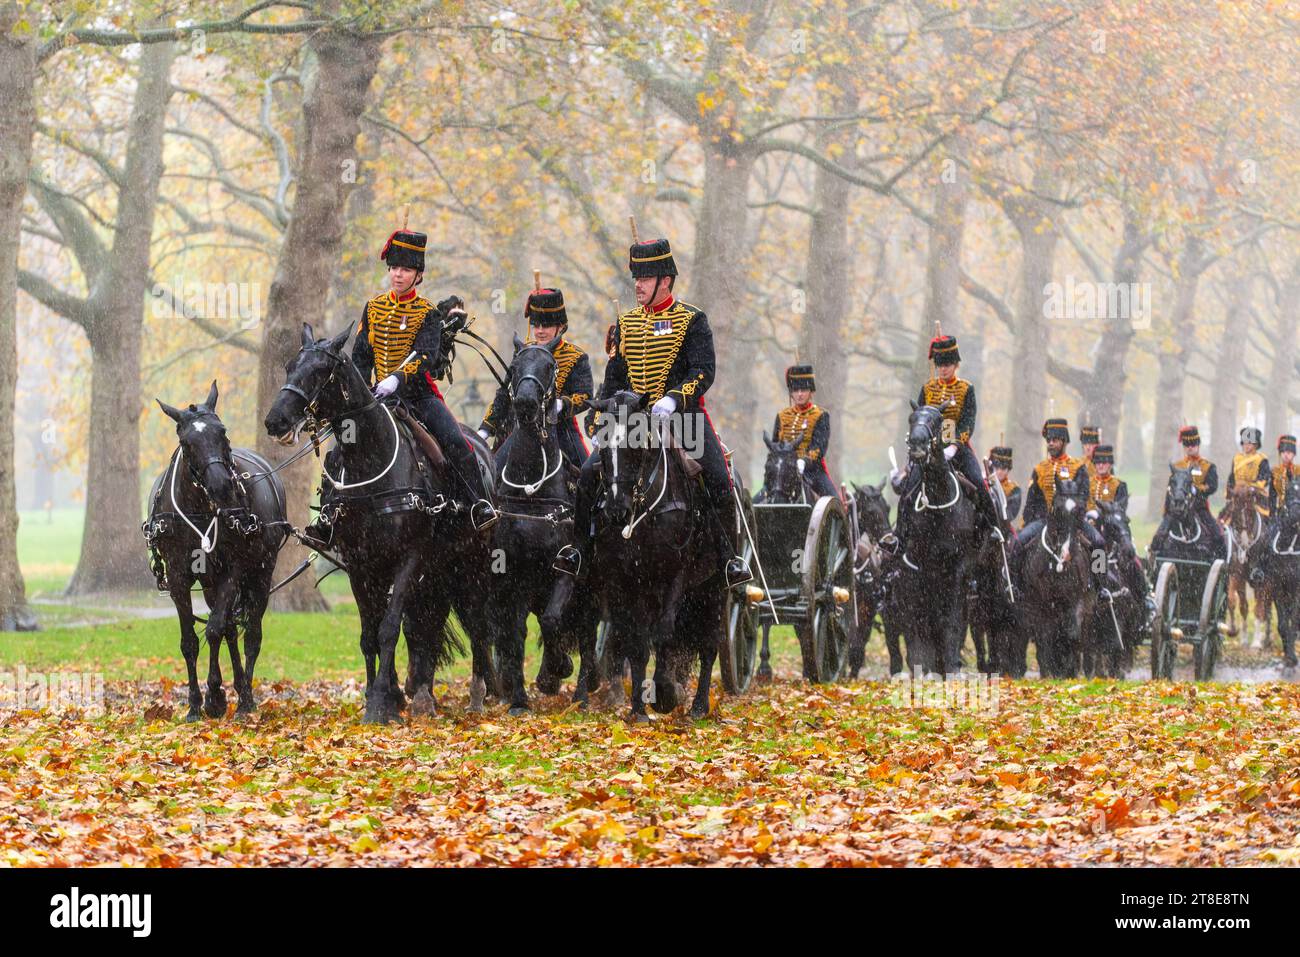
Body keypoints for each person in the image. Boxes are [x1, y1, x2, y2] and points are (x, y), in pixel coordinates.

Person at [554, 236, 752, 588]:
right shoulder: (626, 324)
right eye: (636, 278)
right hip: (630, 420)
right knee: (588, 474)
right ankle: (579, 550)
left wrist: (675, 397)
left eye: (644, 278)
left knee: (719, 479)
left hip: (683, 418)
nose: (637, 285)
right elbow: (614, 378)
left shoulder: (692, 320)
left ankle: (727, 559)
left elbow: (703, 371)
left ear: (666, 281)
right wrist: (601, 416)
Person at [351, 228, 497, 531]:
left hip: (419, 397)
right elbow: (362, 355)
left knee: (456, 442)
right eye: (394, 268)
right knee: (345, 439)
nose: (397, 274)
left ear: (418, 274)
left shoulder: (427, 312)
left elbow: (424, 356)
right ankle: (333, 511)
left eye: (405, 269)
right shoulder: (374, 308)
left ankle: (478, 505)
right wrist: (364, 390)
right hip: (380, 397)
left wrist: (395, 379)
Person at [892, 334, 1002, 538]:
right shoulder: (927, 388)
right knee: (908, 487)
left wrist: (953, 445)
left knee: (979, 482)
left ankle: (992, 528)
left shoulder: (966, 389)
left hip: (957, 447)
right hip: (928, 450)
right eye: (940, 364)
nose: (943, 368)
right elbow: (918, 417)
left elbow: (968, 421)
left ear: (956, 364)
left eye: (948, 364)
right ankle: (899, 534)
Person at [478, 286, 593, 470]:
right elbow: (504, 395)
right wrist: (485, 429)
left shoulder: (576, 357)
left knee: (588, 475)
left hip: (561, 430)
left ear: (560, 327)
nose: (539, 331)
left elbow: (586, 397)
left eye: (545, 325)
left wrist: (562, 404)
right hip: (522, 430)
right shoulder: (523, 354)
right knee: (492, 473)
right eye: (536, 325)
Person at [1015, 418, 1108, 590]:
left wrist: (1074, 515)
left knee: (1099, 543)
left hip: (1073, 521)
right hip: (1044, 521)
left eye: (1055, 440)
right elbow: (1031, 502)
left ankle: (1100, 586)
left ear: (1063, 441)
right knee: (1018, 542)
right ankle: (1016, 586)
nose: (1051, 443)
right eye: (1049, 440)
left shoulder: (1078, 467)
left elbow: (1084, 497)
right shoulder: (1040, 469)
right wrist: (1026, 524)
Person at [1153, 425, 1225, 554]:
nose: (1190, 447)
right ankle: (1153, 562)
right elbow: (1170, 490)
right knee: (1158, 537)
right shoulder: (1177, 466)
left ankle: (1220, 562)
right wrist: (1167, 510)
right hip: (1177, 509)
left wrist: (1196, 490)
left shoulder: (1208, 466)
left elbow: (1212, 486)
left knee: (1218, 536)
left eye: (1193, 443)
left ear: (1198, 444)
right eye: (1187, 444)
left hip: (1199, 508)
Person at [771, 364, 837, 498]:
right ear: (791, 393)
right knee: (755, 503)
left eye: (803, 389)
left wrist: (804, 461)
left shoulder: (821, 415)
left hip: (812, 472)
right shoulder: (781, 416)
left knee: (835, 501)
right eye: (796, 390)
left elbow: (818, 448)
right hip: (783, 472)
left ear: (811, 391)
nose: (799, 394)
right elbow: (775, 446)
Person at [1248, 434, 1298, 586]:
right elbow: (1272, 497)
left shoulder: (1299, 471)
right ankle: (1260, 570)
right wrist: (1272, 516)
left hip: (1298, 514)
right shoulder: (1274, 472)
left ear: (1294, 454)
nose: (1286, 455)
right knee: (1267, 539)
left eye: (1289, 452)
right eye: (1283, 452)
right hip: (1281, 515)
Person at [1221, 426, 1271, 521]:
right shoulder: (1237, 458)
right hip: (1237, 493)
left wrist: (1252, 488)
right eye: (1244, 443)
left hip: (1255, 493)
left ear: (1256, 444)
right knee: (1222, 520)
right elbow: (1232, 477)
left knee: (1268, 519)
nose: (1246, 445)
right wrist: (1230, 488)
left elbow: (1264, 478)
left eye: (1249, 443)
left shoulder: (1261, 459)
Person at [1088, 444, 1130, 517]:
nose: (1101, 465)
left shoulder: (1119, 485)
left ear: (1110, 464)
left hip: (1110, 523)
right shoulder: (1087, 483)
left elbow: (1120, 509)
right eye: (1098, 462)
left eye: (1104, 462)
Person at [989, 445, 1021, 524]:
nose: (999, 472)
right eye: (996, 468)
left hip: (1002, 527)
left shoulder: (1014, 489)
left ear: (1008, 469)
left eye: (1003, 468)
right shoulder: (983, 483)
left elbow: (1008, 515)